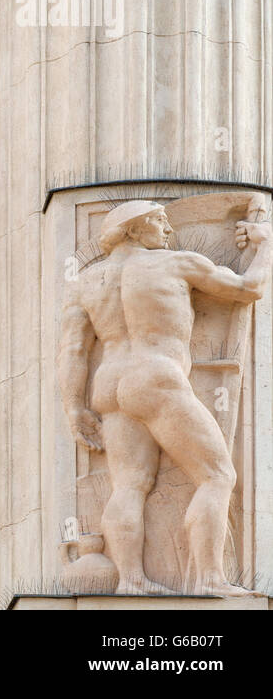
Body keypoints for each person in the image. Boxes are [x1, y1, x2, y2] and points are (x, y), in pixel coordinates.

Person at [58, 199, 272, 596]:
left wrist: (74, 406)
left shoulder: (85, 283)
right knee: (216, 474)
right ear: (134, 229)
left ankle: (132, 581)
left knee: (130, 485)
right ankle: (209, 579)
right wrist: (266, 244)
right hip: (156, 377)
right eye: (159, 221)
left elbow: (72, 352)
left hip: (110, 385)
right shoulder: (175, 263)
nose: (168, 231)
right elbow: (249, 289)